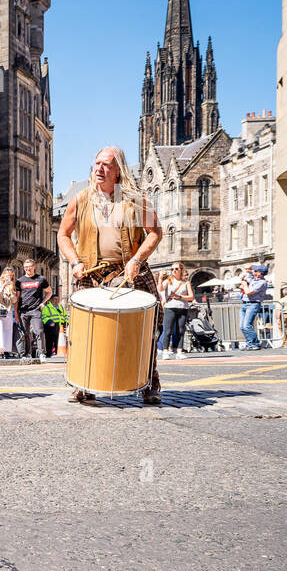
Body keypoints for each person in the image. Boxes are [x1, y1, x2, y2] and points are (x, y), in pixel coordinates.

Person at [57, 145, 164, 404]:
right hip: (91, 273)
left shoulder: (136, 200)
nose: (99, 169)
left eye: (106, 164)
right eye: (96, 164)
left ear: (118, 170)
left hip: (128, 271)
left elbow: (155, 232)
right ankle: (83, 382)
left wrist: (138, 259)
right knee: (82, 328)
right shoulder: (80, 200)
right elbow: (63, 234)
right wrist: (73, 262)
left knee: (148, 326)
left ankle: (149, 381)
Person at [14, 258, 50, 362]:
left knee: (39, 331)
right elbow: (17, 298)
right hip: (23, 311)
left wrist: (43, 302)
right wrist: (16, 312)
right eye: (26, 267)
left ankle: (42, 353)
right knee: (25, 333)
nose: (28, 269)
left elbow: (50, 292)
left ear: (34, 267)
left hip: (36, 310)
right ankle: (27, 353)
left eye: (30, 266)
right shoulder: (19, 281)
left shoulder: (41, 279)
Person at [159, 262, 194, 359]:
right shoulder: (168, 281)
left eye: (176, 269)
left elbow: (191, 297)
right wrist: (160, 278)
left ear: (181, 270)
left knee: (181, 330)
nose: (174, 271)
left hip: (182, 307)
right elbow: (160, 289)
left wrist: (179, 297)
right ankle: (165, 351)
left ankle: (179, 351)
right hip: (170, 307)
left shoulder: (186, 282)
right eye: (172, 269)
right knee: (168, 330)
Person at [238, 263, 270, 350]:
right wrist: (243, 281)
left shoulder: (262, 282)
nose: (254, 272)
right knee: (242, 326)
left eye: (256, 271)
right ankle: (250, 343)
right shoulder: (254, 279)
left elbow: (248, 292)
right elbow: (243, 279)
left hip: (253, 304)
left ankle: (255, 343)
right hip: (245, 303)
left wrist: (244, 285)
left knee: (247, 325)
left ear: (260, 273)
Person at [0, 266, 17, 360]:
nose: (9, 277)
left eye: (11, 276)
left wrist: (11, 292)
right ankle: (0, 352)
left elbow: (14, 301)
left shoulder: (11, 287)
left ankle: (7, 351)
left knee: (8, 331)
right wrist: (3, 286)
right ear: (3, 275)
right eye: (7, 275)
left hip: (8, 311)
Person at [41, 289, 68, 357]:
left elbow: (65, 316)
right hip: (50, 327)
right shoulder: (47, 308)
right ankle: (49, 354)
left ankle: (57, 353)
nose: (57, 301)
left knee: (58, 341)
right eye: (55, 299)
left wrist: (66, 323)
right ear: (51, 300)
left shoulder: (61, 307)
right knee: (49, 341)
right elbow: (44, 317)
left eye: (58, 299)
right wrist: (49, 322)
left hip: (59, 327)